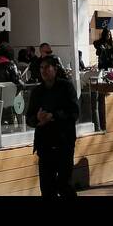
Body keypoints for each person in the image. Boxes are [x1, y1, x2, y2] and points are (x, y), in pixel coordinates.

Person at [24, 56, 79, 197]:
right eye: (41, 68)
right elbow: (29, 118)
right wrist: (37, 119)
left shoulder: (66, 87)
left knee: (64, 185)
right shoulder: (37, 92)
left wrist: (53, 116)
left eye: (47, 67)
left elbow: (74, 112)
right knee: (47, 187)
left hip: (63, 143)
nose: (44, 71)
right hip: (44, 144)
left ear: (55, 69)